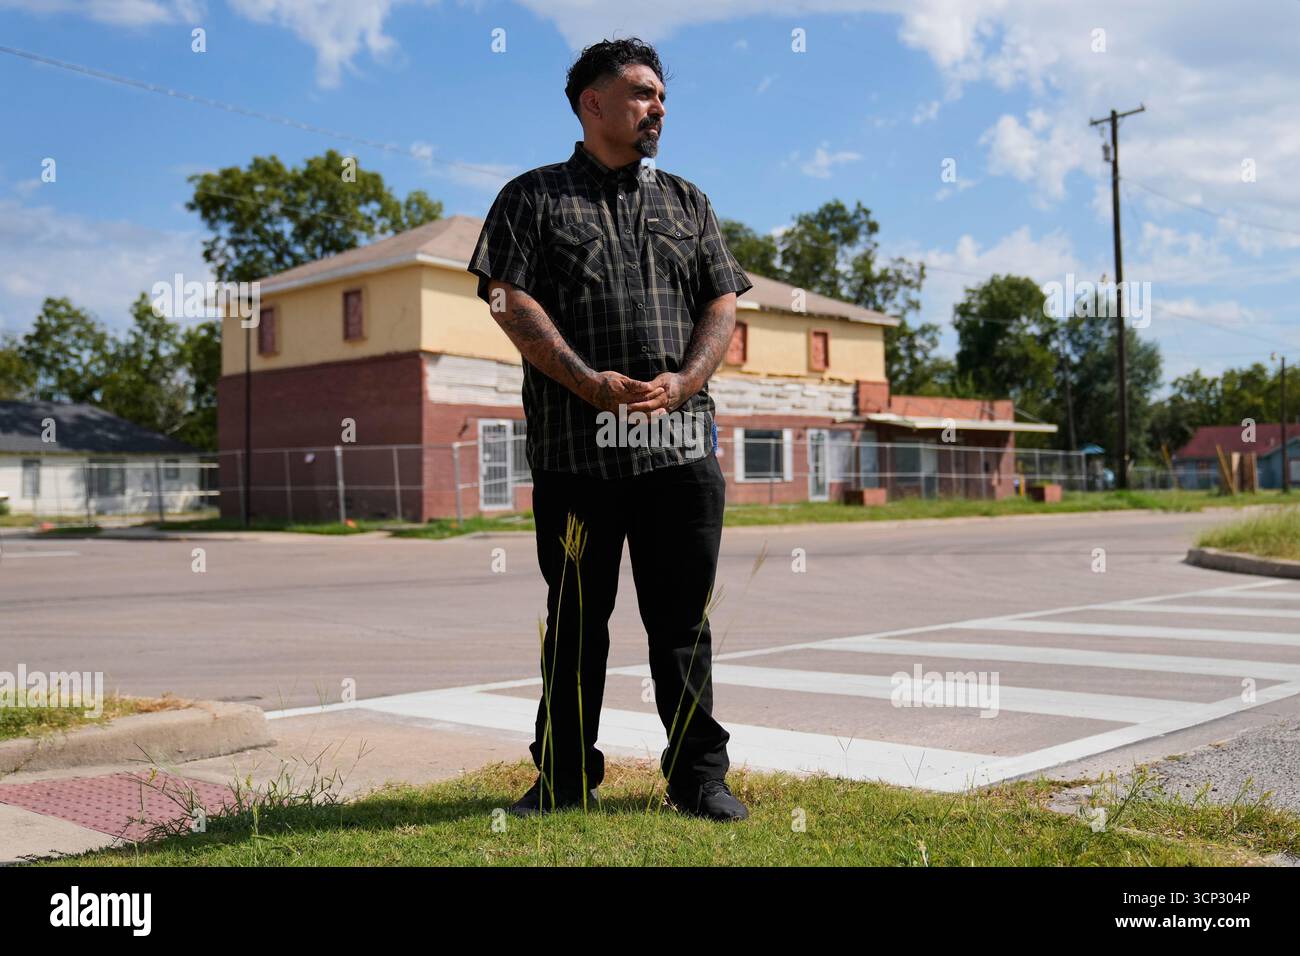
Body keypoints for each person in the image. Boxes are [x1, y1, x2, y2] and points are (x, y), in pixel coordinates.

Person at [467, 37, 753, 822]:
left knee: (680, 621)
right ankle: (561, 779)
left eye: (661, 94)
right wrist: (588, 382)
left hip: (677, 448)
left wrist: (688, 380)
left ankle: (698, 777)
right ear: (593, 104)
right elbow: (506, 300)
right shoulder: (533, 197)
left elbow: (721, 301)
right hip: (576, 450)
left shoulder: (688, 201)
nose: (658, 105)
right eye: (642, 92)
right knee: (576, 623)